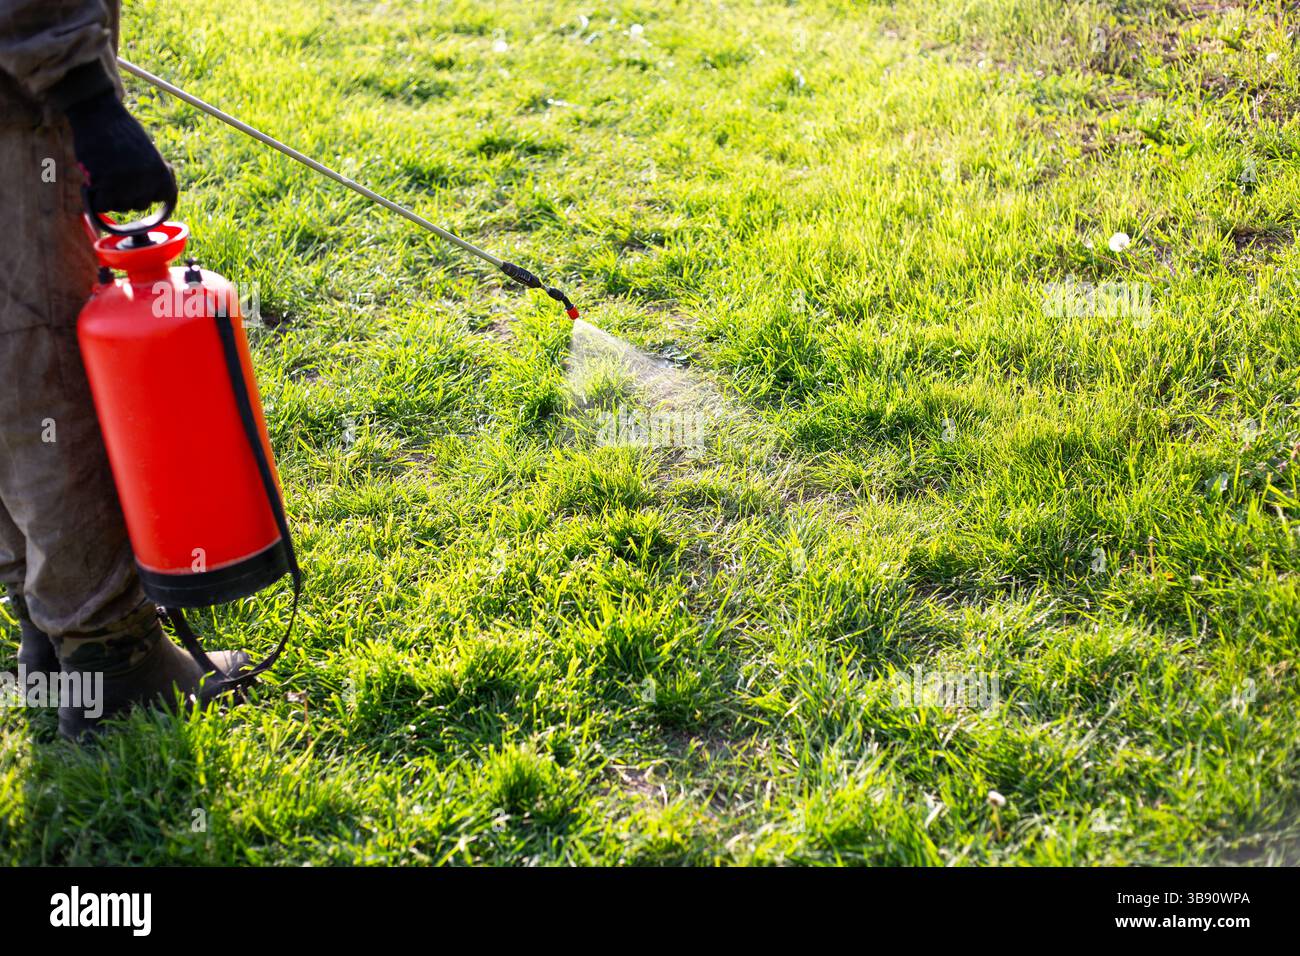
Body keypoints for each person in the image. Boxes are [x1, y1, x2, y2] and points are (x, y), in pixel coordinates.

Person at [0, 0, 247, 737]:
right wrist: (84, 91)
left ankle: (45, 635)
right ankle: (115, 662)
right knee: (43, 374)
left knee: (9, 380)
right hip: (20, 106)